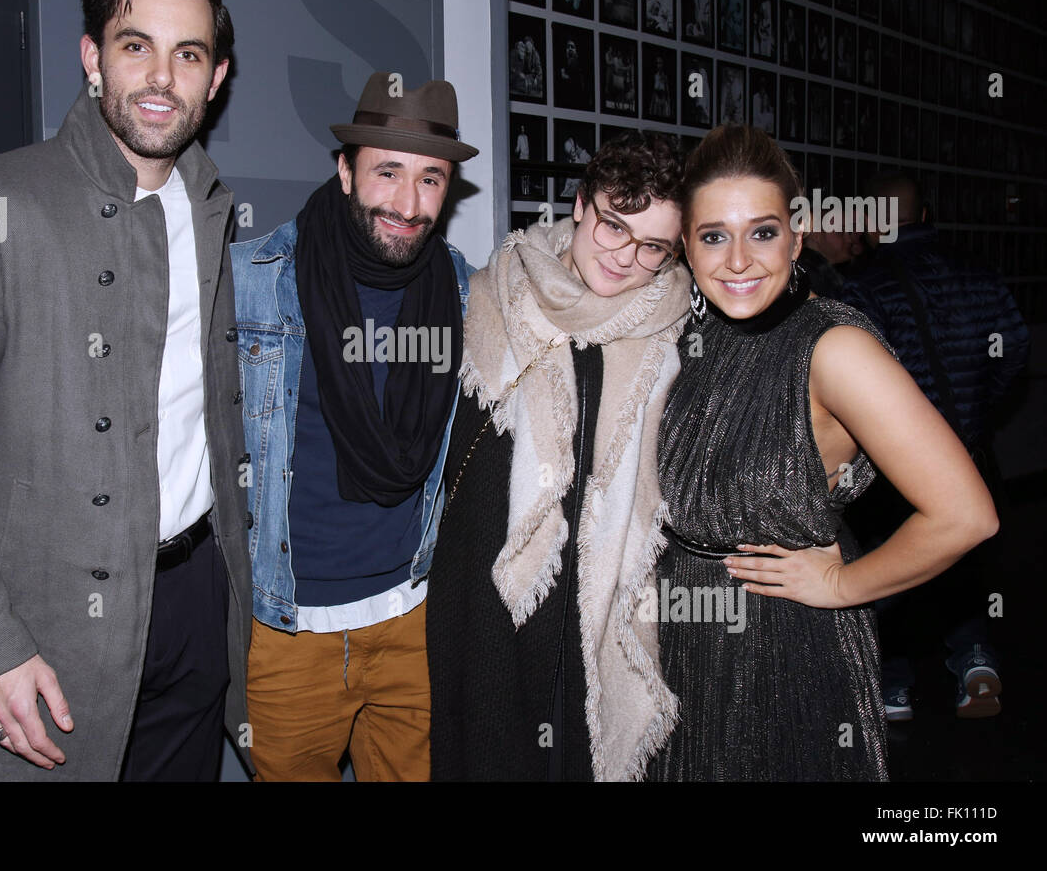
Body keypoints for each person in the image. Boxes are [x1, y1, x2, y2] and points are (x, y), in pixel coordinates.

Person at [0, 0, 249, 781]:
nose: (162, 76)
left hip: (195, 606)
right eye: (136, 45)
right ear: (93, 58)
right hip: (44, 627)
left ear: (216, 77)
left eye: (187, 54)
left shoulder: (214, 218)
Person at [646, 125, 998, 781]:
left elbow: (965, 514)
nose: (739, 260)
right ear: (685, 249)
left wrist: (841, 583)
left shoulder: (834, 349)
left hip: (786, 655)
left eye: (763, 231)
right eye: (714, 235)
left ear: (797, 238)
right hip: (681, 646)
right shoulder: (688, 338)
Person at [231, 72, 478, 781]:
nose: (407, 204)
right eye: (388, 173)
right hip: (290, 630)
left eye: (430, 180)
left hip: (414, 619)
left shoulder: (462, 290)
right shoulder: (254, 279)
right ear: (344, 170)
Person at [428, 132, 691, 781]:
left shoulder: (680, 329)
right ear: (581, 205)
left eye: (652, 245)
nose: (625, 256)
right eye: (612, 225)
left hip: (603, 591)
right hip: (494, 579)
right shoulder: (495, 289)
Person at [841, 173, 1029, 720]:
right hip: (968, 449)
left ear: (875, 227)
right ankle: (975, 663)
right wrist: (975, 414)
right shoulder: (979, 272)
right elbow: (1014, 348)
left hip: (892, 464)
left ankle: (893, 687)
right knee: (962, 561)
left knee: (895, 562)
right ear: (926, 218)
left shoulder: (865, 286)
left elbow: (857, 383)